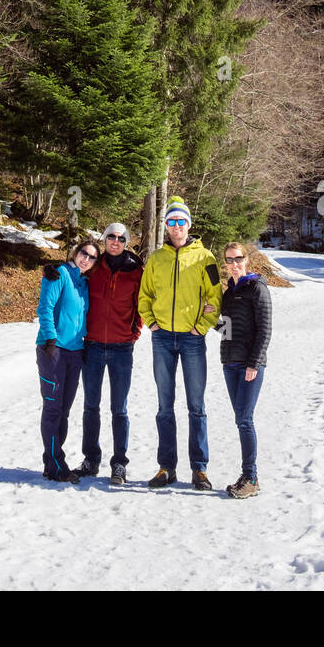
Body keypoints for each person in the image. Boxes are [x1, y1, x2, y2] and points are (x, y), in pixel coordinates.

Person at [137, 197, 221, 490]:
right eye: (171, 222)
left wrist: (201, 327)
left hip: (192, 340)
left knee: (196, 406)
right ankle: (166, 468)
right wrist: (152, 322)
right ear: (166, 226)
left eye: (180, 221)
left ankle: (199, 470)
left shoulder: (205, 257)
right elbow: (144, 295)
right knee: (164, 406)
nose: (176, 227)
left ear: (189, 224)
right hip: (162, 338)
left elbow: (215, 298)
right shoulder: (156, 259)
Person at [75, 222, 143, 488]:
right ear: (104, 240)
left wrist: (133, 333)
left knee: (120, 408)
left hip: (121, 348)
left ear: (126, 242)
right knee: (91, 406)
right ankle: (91, 459)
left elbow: (141, 304)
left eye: (121, 238)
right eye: (111, 237)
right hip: (91, 346)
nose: (115, 241)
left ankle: (119, 463)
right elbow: (73, 274)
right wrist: (53, 272)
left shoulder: (135, 271)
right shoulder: (94, 266)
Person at [35, 240, 100, 482]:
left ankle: (52, 461)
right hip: (53, 349)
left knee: (64, 410)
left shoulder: (83, 282)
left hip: (75, 352)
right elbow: (45, 306)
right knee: (52, 409)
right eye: (84, 253)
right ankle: (55, 464)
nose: (86, 259)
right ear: (76, 252)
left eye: (92, 257)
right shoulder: (60, 273)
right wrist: (50, 339)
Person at [218, 240, 272, 499]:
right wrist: (211, 320)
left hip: (250, 366)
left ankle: (251, 477)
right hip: (231, 363)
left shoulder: (257, 288)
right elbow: (228, 329)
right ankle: (248, 475)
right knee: (241, 420)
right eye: (229, 260)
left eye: (238, 258)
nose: (234, 264)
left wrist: (254, 362)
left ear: (246, 259)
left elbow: (265, 329)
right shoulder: (229, 291)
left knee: (245, 420)